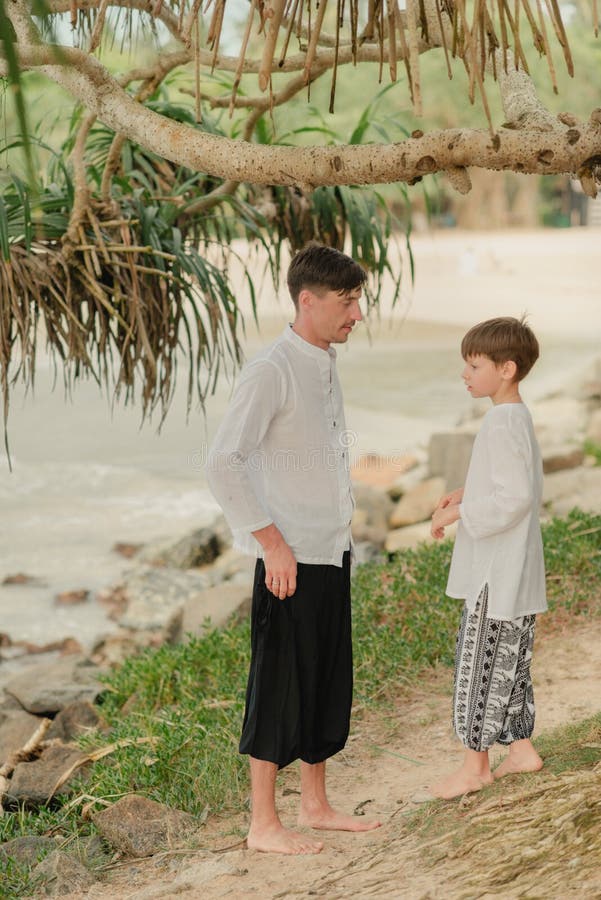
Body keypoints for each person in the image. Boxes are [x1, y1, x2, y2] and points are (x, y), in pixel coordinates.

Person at [206, 242, 381, 854]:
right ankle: (262, 824)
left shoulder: (325, 360)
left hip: (331, 549)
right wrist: (271, 543)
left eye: (357, 298)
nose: (357, 312)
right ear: (308, 300)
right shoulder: (270, 369)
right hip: (289, 560)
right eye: (347, 300)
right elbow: (222, 462)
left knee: (326, 677)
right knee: (279, 684)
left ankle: (314, 805)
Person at [429, 316, 547, 800]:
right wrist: (467, 491)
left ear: (507, 368)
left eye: (474, 365)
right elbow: (512, 484)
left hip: (496, 573)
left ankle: (475, 766)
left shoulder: (502, 421)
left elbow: (513, 498)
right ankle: (521, 748)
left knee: (479, 661)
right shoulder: (515, 415)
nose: (465, 374)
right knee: (511, 662)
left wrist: (459, 511)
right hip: (515, 569)